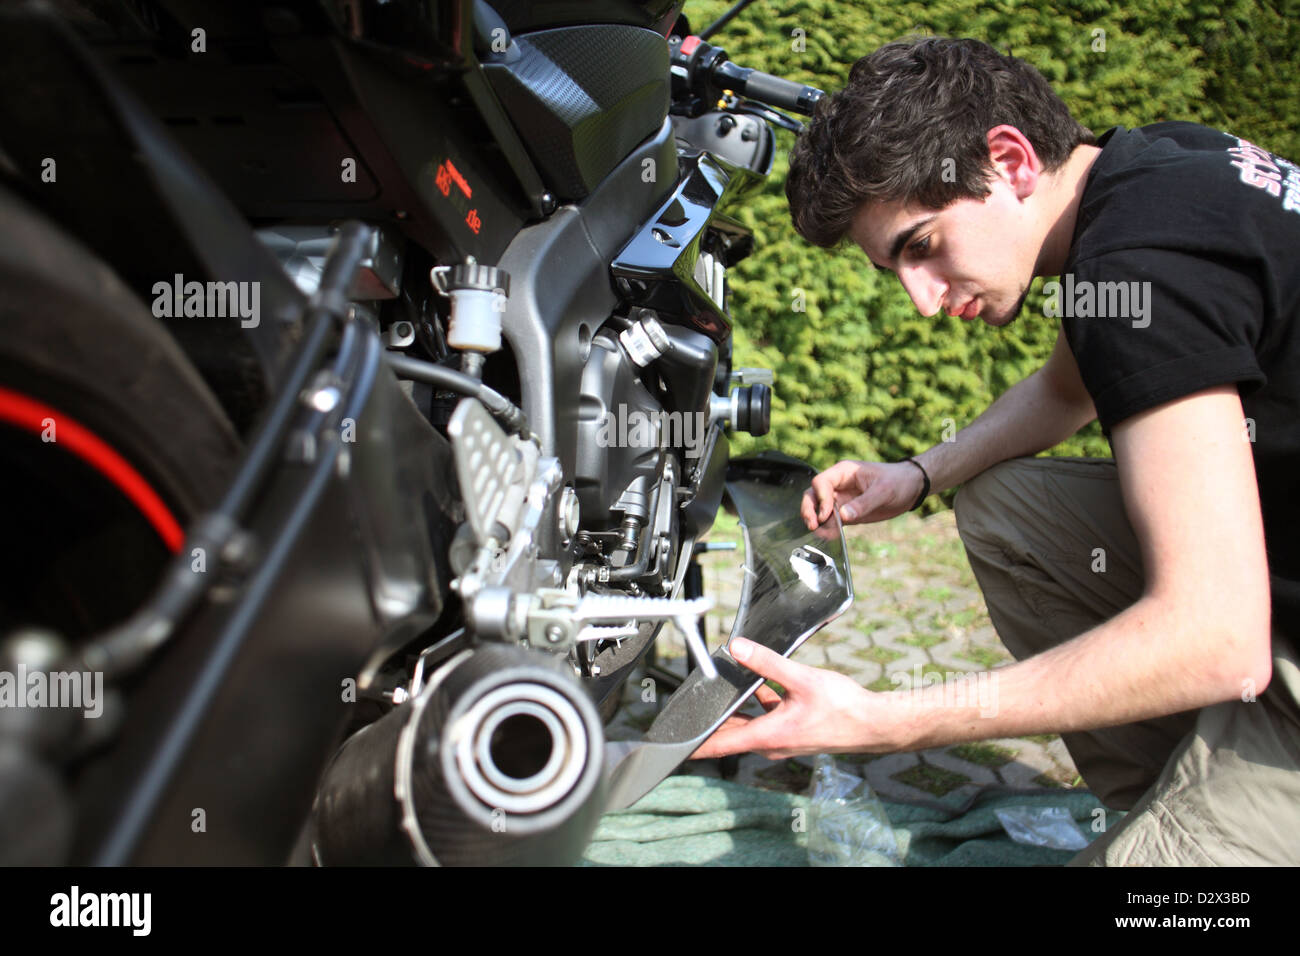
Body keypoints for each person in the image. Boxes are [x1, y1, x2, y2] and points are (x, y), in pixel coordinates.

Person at [692, 36, 1300, 865]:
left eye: (922, 245)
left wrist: (885, 719)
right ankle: (1178, 796)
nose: (923, 300)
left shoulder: (1140, 266)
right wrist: (918, 475)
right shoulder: (1161, 169)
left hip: (1253, 643)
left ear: (1009, 160)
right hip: (1268, 600)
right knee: (1003, 506)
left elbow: (1216, 640)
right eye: (895, 270)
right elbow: (1064, 391)